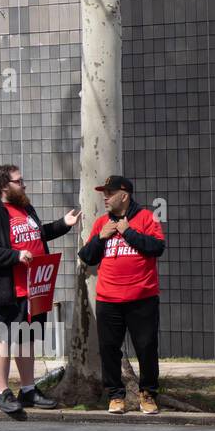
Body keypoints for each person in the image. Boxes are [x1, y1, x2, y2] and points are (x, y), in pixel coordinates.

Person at [0, 164, 80, 413]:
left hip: (33, 289)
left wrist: (64, 224)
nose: (24, 184)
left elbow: (37, 235)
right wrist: (15, 256)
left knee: (26, 340)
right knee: (3, 340)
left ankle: (28, 390)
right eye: (19, 181)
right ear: (3, 186)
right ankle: (2, 393)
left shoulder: (25, 209)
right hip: (8, 290)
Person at [78, 176, 166, 415]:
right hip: (108, 299)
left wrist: (128, 233)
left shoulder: (147, 217)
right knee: (109, 349)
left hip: (142, 298)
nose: (105, 197)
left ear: (124, 195)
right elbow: (87, 256)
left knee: (146, 348)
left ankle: (148, 394)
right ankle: (116, 396)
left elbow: (157, 247)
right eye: (104, 193)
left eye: (110, 192)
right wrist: (100, 237)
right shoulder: (101, 223)